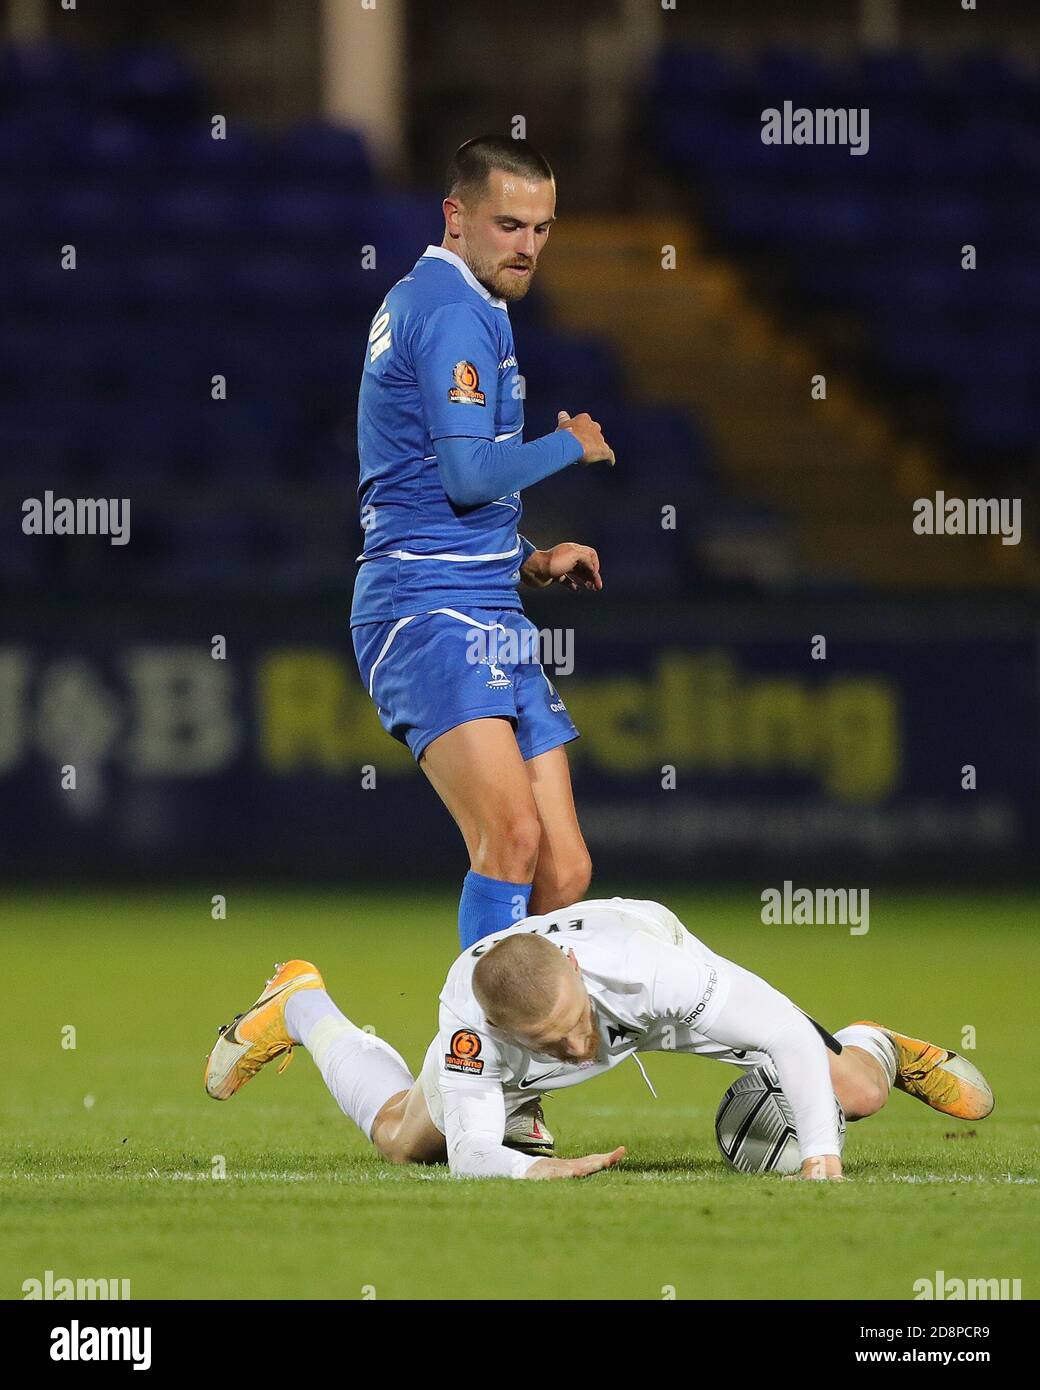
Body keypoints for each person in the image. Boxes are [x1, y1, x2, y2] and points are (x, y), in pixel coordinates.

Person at [204, 897, 994, 1177]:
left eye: (577, 1027)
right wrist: (529, 1174)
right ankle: (301, 1004)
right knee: (402, 1141)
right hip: (525, 1026)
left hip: (650, 991)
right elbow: (475, 1156)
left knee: (849, 1091)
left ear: (578, 977)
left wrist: (822, 1156)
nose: (583, 1052)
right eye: (554, 1045)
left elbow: (783, 1032)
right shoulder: (474, 1034)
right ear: (508, 1037)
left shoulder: (653, 972)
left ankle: (876, 1042)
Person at [351, 134, 615, 969]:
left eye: (542, 228)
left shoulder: (467, 300)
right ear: (455, 216)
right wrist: (569, 443)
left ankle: (490, 1069)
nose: (528, 246)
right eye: (509, 224)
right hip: (423, 605)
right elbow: (467, 475)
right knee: (510, 838)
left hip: (486, 597)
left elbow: (436, 480)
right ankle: (483, 1075)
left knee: (564, 870)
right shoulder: (451, 308)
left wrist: (530, 556)